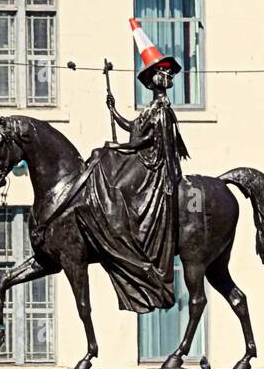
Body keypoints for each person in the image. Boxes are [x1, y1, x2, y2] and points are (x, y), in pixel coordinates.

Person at [74, 26, 189, 313]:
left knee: (106, 156)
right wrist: (114, 112)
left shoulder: (162, 108)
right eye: (153, 76)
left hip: (152, 164)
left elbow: (150, 140)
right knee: (105, 154)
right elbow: (135, 128)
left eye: (158, 75)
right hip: (143, 154)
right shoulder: (151, 107)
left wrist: (123, 149)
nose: (156, 79)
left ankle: (119, 217)